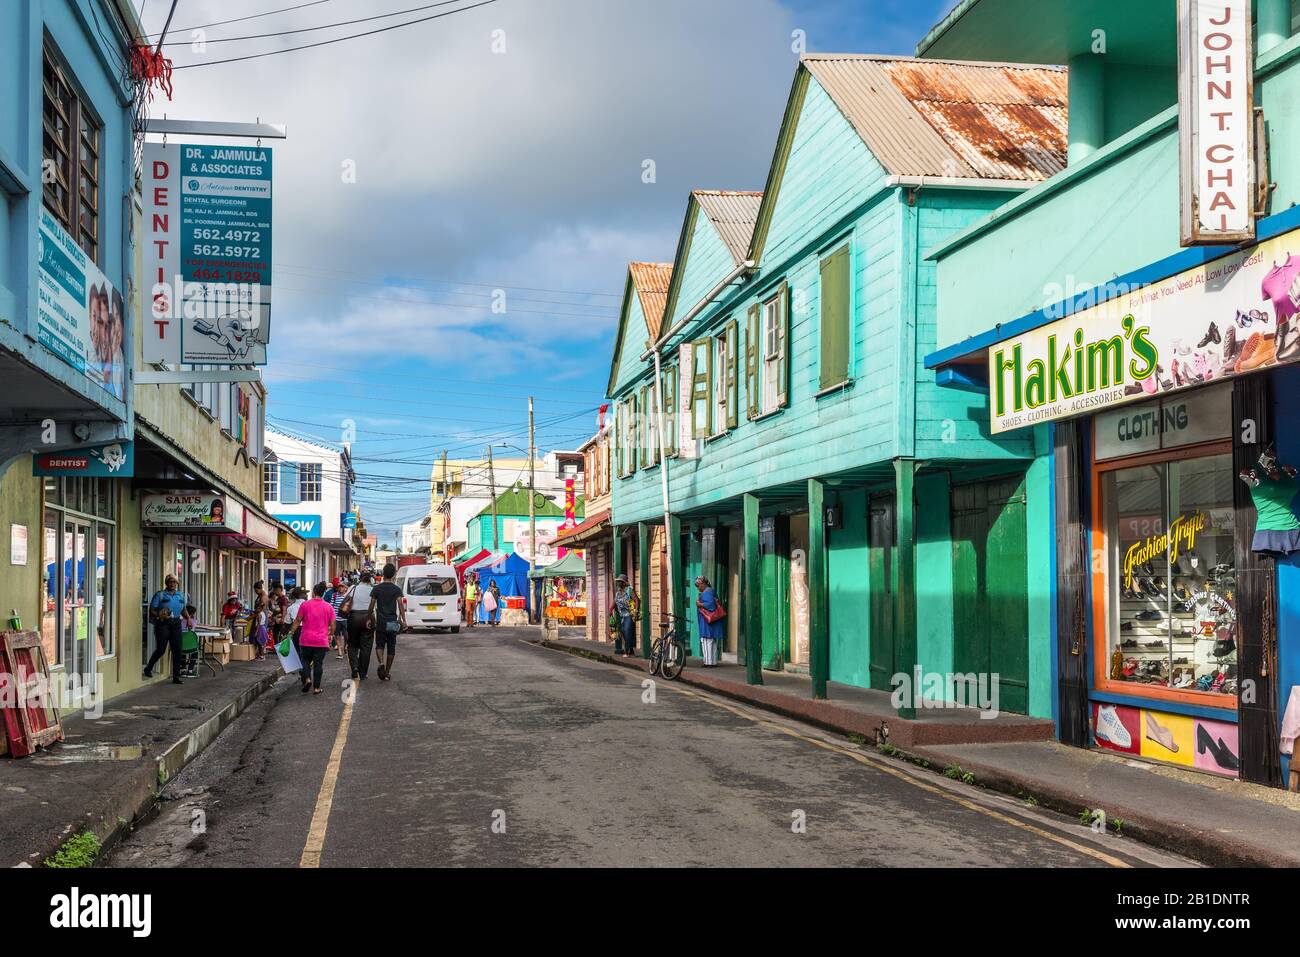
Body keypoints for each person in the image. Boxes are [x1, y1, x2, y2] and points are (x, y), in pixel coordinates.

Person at [293, 583, 335, 695]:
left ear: (313, 592)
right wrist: (331, 635)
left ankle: (307, 679)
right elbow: (333, 624)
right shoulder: (328, 607)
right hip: (321, 641)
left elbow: (298, 620)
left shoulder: (305, 605)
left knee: (305, 660)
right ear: (323, 593)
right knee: (318, 663)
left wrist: (290, 632)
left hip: (306, 639)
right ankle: (316, 688)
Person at [144, 575, 187, 684]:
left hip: (176, 623)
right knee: (161, 649)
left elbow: (183, 609)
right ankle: (148, 668)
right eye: (170, 582)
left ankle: (176, 677)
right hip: (163, 624)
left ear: (177, 583)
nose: (172, 584)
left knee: (177, 650)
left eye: (174, 582)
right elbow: (152, 610)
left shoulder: (180, 595)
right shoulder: (160, 595)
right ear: (166, 583)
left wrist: (189, 619)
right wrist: (159, 615)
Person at [367, 564, 406, 682]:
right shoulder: (396, 589)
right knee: (391, 647)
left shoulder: (377, 588)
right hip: (392, 623)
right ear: (393, 574)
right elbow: (400, 605)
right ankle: (387, 672)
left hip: (381, 622)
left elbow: (371, 605)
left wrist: (369, 618)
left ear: (383, 574)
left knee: (379, 645)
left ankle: (381, 663)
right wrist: (404, 621)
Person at [344, 571, 377, 681]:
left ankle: (354, 667)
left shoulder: (353, 587)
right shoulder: (373, 589)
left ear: (360, 579)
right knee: (366, 646)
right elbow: (375, 606)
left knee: (352, 644)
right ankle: (363, 673)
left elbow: (346, 599)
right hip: (368, 617)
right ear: (370, 580)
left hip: (354, 617)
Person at [696, 576, 725, 667]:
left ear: (703, 584)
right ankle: (713, 662)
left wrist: (700, 604)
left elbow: (711, 605)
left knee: (705, 641)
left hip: (707, 622)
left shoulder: (707, 592)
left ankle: (707, 662)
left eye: (699, 585)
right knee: (712, 641)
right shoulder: (711, 591)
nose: (698, 588)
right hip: (712, 621)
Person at [612, 575, 638, 657]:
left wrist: (635, 611)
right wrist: (611, 610)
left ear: (624, 583)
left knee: (627, 631)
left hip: (629, 614)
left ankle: (627, 651)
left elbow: (637, 600)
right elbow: (614, 603)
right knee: (623, 632)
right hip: (622, 616)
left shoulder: (629, 590)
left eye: (620, 581)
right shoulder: (618, 593)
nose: (618, 583)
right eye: (618, 581)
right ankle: (631, 650)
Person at [327, 578, 350, 659]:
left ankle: (346, 646)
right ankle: (340, 652)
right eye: (339, 587)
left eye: (342, 587)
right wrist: (331, 619)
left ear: (345, 588)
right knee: (337, 635)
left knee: (346, 635)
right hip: (336, 619)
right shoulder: (334, 595)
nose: (340, 588)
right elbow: (331, 607)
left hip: (345, 619)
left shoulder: (348, 596)